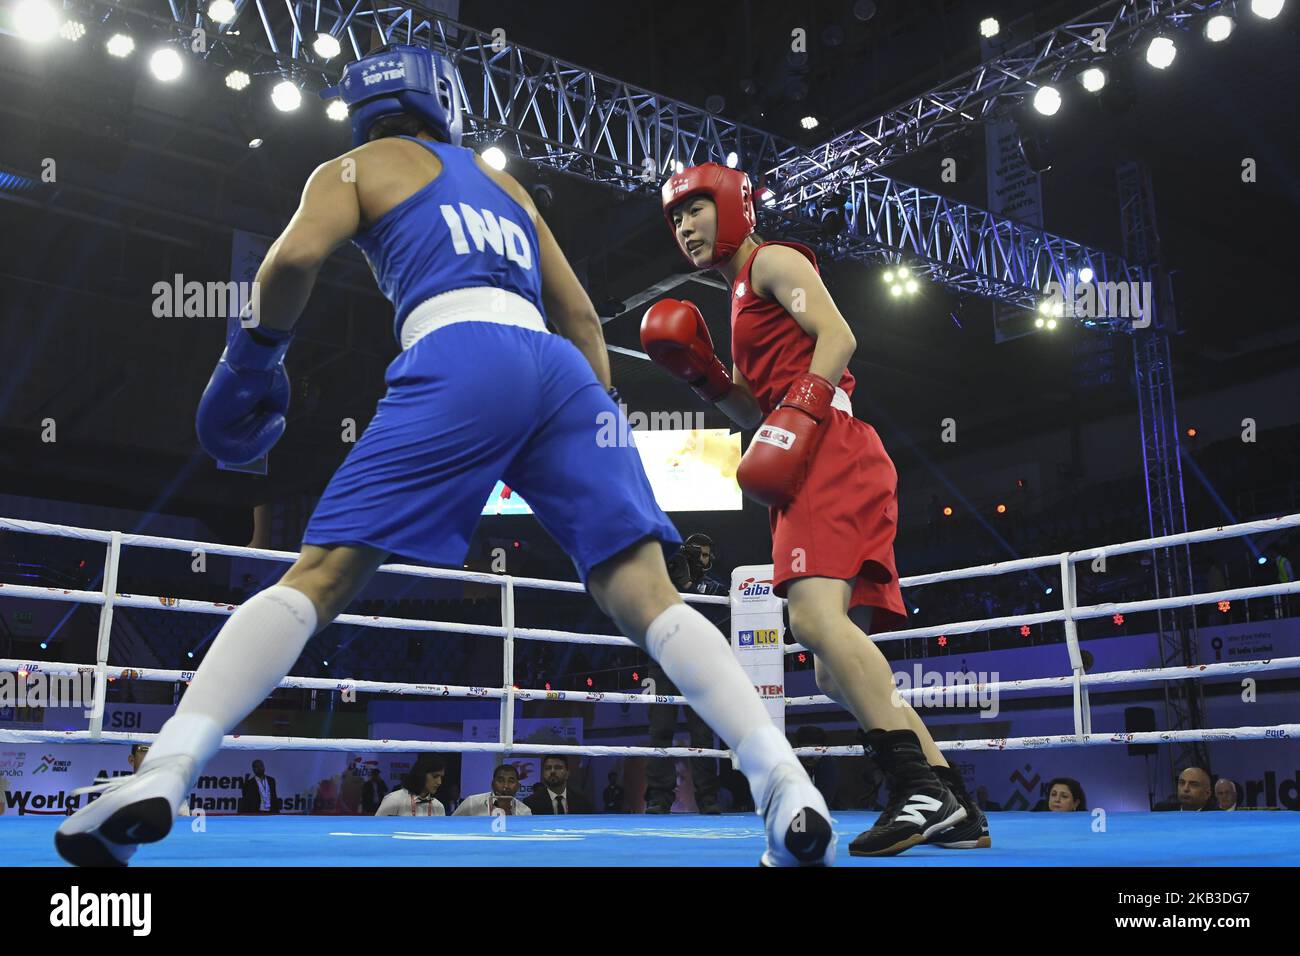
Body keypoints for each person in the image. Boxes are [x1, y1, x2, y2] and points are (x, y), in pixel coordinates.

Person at [54, 47, 830, 868]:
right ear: (445, 104)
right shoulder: (508, 188)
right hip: (561, 374)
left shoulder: (353, 166)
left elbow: (290, 261)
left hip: (459, 352)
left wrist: (254, 359)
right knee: (646, 595)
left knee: (320, 576)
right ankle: (784, 783)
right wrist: (590, 425)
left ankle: (165, 771)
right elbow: (583, 322)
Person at [645, 163, 980, 856]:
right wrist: (706, 377)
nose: (683, 228)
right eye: (675, 220)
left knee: (812, 619)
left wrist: (799, 414)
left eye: (695, 210)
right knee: (829, 664)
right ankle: (956, 804)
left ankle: (915, 791)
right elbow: (750, 407)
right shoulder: (738, 298)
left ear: (734, 206)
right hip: (805, 453)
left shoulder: (773, 260)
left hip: (827, 447)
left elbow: (838, 338)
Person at [645, 532, 727, 814]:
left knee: (702, 733)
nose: (702, 560)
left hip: (699, 661)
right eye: (698, 554)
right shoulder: (662, 579)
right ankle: (658, 797)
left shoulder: (716, 587)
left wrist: (689, 586)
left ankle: (708, 798)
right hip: (664, 659)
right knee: (660, 730)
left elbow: (713, 615)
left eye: (706, 555)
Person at [524, 755, 594, 814]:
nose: (552, 771)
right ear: (543, 774)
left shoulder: (582, 801)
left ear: (567, 773)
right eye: (548, 768)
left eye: (558, 767)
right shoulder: (530, 803)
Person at [453, 764, 532, 816]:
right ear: (492, 784)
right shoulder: (472, 802)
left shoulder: (524, 811)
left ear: (518, 786)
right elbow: (451, 826)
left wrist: (507, 811)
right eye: (500, 781)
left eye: (511, 781)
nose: (505, 786)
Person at [375, 758, 446, 816]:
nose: (439, 782)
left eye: (441, 777)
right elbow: (376, 830)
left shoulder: (439, 806)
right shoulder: (394, 800)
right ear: (421, 774)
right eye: (435, 776)